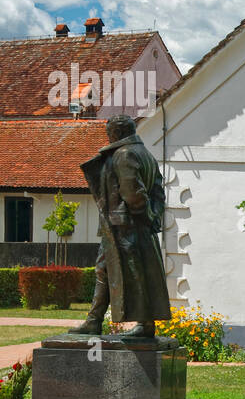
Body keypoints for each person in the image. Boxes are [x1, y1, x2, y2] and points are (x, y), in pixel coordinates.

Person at [69, 115, 172, 338]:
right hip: (124, 226)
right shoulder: (145, 154)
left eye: (109, 132)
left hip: (124, 227)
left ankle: (144, 324)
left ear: (116, 133)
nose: (107, 136)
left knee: (135, 273)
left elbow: (133, 194)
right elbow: (158, 191)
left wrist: (142, 218)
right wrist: (153, 217)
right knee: (104, 270)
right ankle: (94, 320)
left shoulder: (124, 154)